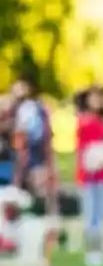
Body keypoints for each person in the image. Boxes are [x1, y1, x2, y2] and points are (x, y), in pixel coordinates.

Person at [11, 78, 57, 256]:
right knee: (26, 192)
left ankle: (43, 231)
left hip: (33, 156)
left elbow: (32, 133)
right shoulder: (21, 108)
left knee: (38, 192)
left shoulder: (31, 108)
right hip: (27, 156)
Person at [75, 87, 103, 266]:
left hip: (102, 174)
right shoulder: (85, 121)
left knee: (100, 213)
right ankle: (92, 250)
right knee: (91, 214)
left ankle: (99, 247)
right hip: (90, 174)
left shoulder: (102, 121)